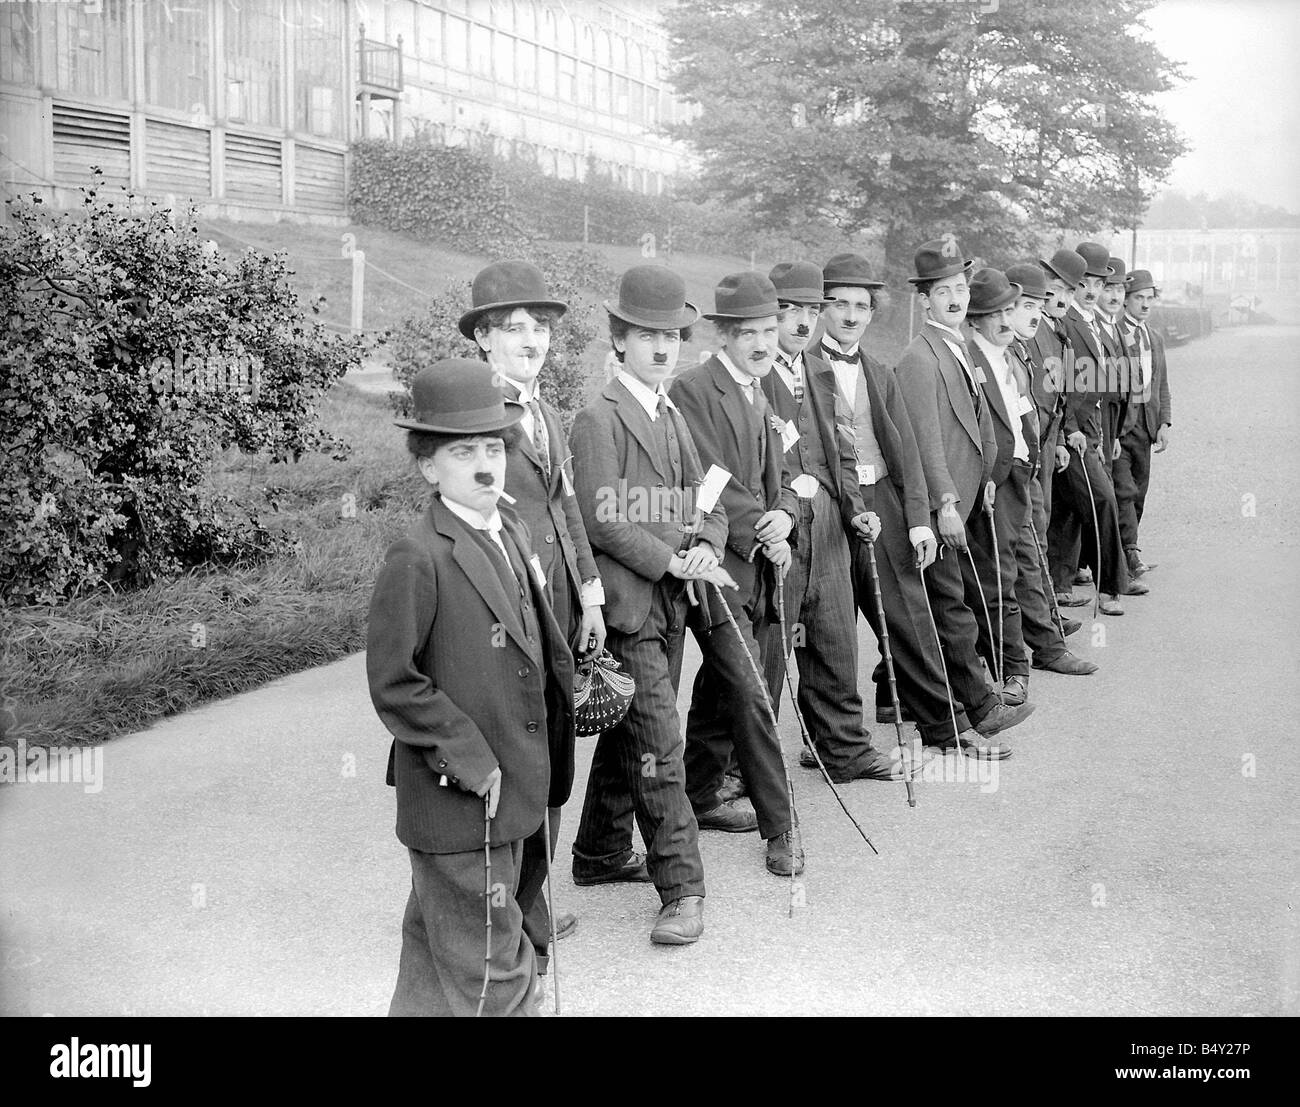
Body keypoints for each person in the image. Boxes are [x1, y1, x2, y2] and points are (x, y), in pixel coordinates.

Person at [366, 358, 575, 1017]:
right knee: (497, 979)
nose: (485, 465)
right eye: (463, 452)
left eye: (494, 447)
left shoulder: (508, 529)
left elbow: (531, 645)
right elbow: (396, 682)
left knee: (434, 970)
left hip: (519, 789)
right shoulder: (418, 554)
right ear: (428, 465)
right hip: (462, 801)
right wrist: (469, 754)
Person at [568, 264, 732, 945]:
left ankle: (601, 852)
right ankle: (682, 887)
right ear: (619, 342)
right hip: (629, 606)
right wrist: (671, 558)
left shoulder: (672, 414)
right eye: (647, 336)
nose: (664, 348)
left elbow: (707, 495)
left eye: (672, 336)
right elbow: (604, 521)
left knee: (628, 730)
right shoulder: (597, 419)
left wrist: (709, 546)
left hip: (671, 603)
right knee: (659, 744)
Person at [461, 260, 607, 972]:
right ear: (484, 339)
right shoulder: (475, 413)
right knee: (514, 764)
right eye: (514, 327)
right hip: (506, 617)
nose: (531, 339)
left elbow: (567, 505)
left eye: (540, 328)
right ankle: (508, 922)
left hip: (557, 611)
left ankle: (535, 900)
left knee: (552, 761)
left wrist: (590, 589)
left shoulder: (546, 411)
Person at [670, 271, 805, 877]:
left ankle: (699, 793)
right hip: (713, 565)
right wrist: (764, 527)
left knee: (723, 687)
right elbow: (709, 483)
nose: (761, 342)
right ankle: (782, 828)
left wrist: (784, 514)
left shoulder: (763, 389)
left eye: (769, 329)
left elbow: (782, 478)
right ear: (723, 334)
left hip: (757, 562)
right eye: (747, 332)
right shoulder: (694, 390)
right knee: (751, 687)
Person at [894, 239, 1035, 757]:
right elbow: (923, 439)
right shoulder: (919, 357)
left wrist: (989, 476)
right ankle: (978, 708)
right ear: (924, 300)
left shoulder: (956, 347)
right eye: (942, 292)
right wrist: (947, 502)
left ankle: (964, 709)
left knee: (954, 604)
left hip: (972, 496)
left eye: (959, 289)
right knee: (950, 608)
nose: (953, 298)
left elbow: (976, 423)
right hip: (941, 507)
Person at [757, 259, 897, 783]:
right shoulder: (756, 375)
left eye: (811, 310)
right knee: (769, 653)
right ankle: (738, 768)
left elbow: (842, 451)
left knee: (835, 640)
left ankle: (842, 748)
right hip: (779, 535)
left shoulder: (817, 370)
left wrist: (858, 510)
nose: (801, 322)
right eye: (788, 310)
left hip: (832, 527)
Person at [1003, 261, 1098, 678]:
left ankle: (1044, 634)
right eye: (1026, 303)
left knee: (1032, 540)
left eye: (1037, 303)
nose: (1038, 310)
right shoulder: (1007, 348)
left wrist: (1054, 440)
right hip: (1010, 465)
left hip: (1037, 448)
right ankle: (1038, 644)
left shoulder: (1035, 339)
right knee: (1016, 553)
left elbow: (1051, 396)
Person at [1050, 242, 1138, 615]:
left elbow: (1102, 388)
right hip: (1071, 432)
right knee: (1101, 500)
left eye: (1098, 283)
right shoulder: (1065, 322)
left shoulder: (1094, 325)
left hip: (1091, 430)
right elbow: (1060, 386)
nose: (1090, 290)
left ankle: (1057, 585)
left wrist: (1104, 435)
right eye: (1083, 282)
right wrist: (1073, 431)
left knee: (1069, 509)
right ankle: (1110, 587)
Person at [1115, 268, 1172, 577]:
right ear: (1126, 300)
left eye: (1150, 298)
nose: (1146, 305)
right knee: (1123, 490)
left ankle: (1127, 552)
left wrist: (1164, 423)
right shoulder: (1114, 331)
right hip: (1120, 424)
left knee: (1138, 491)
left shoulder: (1154, 337)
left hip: (1146, 428)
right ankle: (1130, 555)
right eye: (1139, 298)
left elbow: (1162, 383)